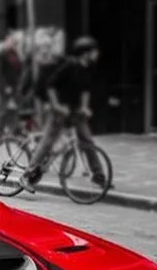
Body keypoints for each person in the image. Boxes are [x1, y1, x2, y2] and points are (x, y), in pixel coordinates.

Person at [22, 35, 108, 190]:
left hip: (75, 110)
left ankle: (98, 175)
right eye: (94, 51)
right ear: (85, 53)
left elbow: (85, 90)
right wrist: (57, 106)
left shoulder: (88, 68)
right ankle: (27, 175)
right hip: (60, 110)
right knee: (48, 141)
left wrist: (85, 107)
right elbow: (50, 85)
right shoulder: (70, 65)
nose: (97, 54)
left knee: (87, 140)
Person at [0, 31, 25, 137]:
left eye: (14, 42)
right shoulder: (1, 54)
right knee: (4, 109)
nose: (13, 43)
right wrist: (5, 86)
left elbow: (19, 68)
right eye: (11, 41)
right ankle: (0, 131)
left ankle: (16, 128)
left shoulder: (15, 53)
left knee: (17, 108)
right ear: (6, 41)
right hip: (5, 86)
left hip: (15, 85)